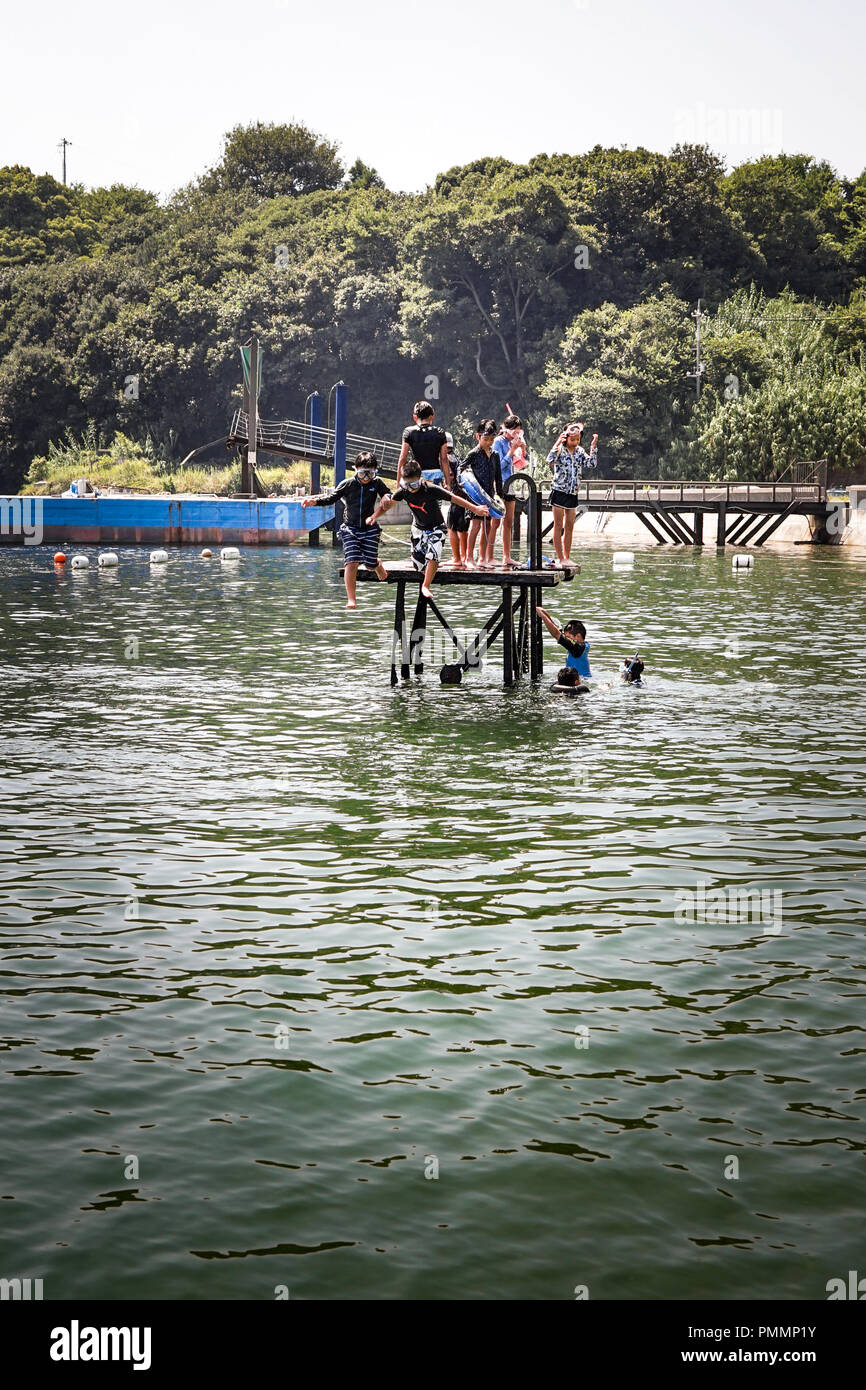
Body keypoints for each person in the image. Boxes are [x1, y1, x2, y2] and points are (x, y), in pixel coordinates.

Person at [368, 459, 488, 598]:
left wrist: (475, 508)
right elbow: (387, 506)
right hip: (418, 529)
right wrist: (374, 516)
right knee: (418, 565)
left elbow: (455, 498)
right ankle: (430, 569)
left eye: (414, 484)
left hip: (437, 527)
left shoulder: (430, 489)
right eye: (407, 485)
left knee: (433, 555)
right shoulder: (403, 492)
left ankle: (426, 585)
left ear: (420, 479)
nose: (411, 488)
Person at [303, 450, 390, 609]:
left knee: (369, 563)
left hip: (369, 529)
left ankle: (376, 565)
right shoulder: (347, 484)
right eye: (363, 474)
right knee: (351, 561)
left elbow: (388, 494)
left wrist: (386, 497)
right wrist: (314, 502)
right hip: (350, 528)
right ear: (355, 469)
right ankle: (351, 599)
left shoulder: (376, 483)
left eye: (370, 474)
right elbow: (331, 498)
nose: (366, 479)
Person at [546, 422, 598, 566]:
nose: (575, 443)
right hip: (559, 491)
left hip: (573, 492)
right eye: (572, 440)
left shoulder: (580, 451)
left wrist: (593, 446)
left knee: (569, 526)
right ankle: (561, 557)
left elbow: (591, 464)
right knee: (558, 525)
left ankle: (567, 557)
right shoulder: (560, 450)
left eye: (578, 440)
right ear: (566, 438)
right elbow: (549, 460)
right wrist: (558, 442)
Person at [463, 419, 504, 568]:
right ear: (478, 437)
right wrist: (462, 486)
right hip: (475, 496)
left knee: (487, 526)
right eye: (485, 439)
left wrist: (499, 495)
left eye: (492, 439)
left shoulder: (495, 454)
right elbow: (461, 469)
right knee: (475, 526)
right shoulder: (473, 453)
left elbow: (498, 477)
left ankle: (482, 559)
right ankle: (469, 558)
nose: (488, 442)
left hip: (490, 495)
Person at [492, 412, 526, 569]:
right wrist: (512, 450)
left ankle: (507, 556)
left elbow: (520, 465)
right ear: (506, 429)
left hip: (510, 483)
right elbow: (498, 465)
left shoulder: (514, 442)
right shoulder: (498, 442)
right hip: (499, 484)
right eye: (514, 431)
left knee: (509, 521)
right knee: (496, 521)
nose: (516, 434)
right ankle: (489, 555)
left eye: (519, 431)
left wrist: (522, 450)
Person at [396, 401, 452, 489]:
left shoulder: (409, 432)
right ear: (432, 416)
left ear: (415, 417)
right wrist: (448, 483)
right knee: (435, 501)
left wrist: (398, 481)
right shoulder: (440, 432)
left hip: (416, 475)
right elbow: (444, 459)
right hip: (435, 475)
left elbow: (403, 458)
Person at [535, 608, 592, 686]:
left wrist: (542, 616)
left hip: (580, 682)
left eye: (568, 637)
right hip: (575, 680)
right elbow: (557, 631)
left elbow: (556, 634)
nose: (566, 639)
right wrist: (545, 614)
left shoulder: (577, 648)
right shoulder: (580, 646)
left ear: (578, 636)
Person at [445, 431, 471, 568]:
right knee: (463, 528)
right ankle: (464, 556)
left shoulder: (446, 458)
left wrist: (446, 485)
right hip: (464, 496)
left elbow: (449, 475)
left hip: (455, 495)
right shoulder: (457, 457)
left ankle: (457, 558)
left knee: (452, 527)